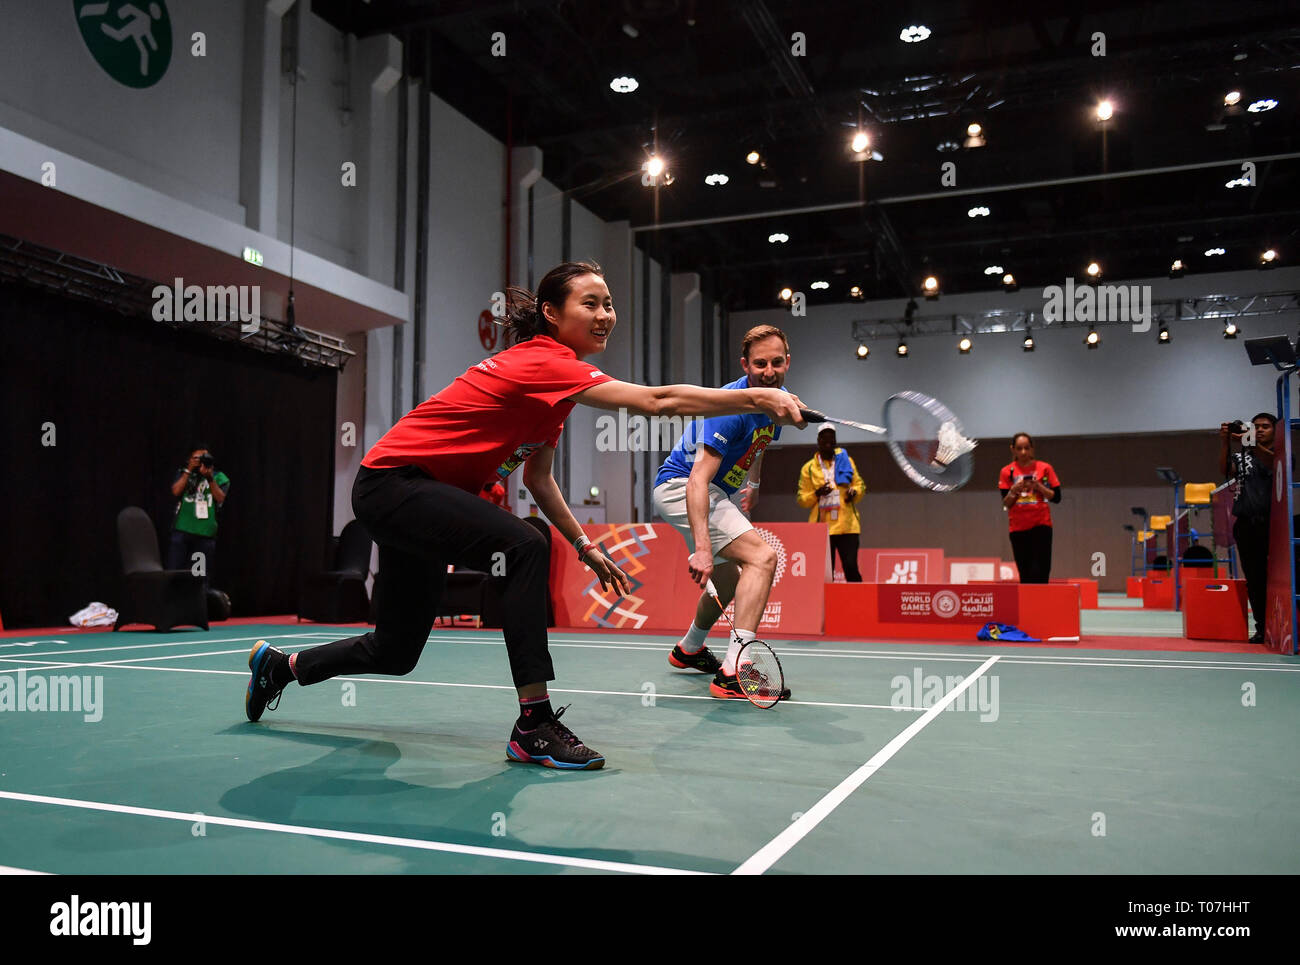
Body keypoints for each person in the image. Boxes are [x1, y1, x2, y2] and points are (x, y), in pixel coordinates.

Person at [243, 262, 805, 770]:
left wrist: (585, 546)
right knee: (525, 545)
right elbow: (655, 402)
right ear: (551, 313)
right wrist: (755, 398)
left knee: (395, 652)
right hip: (393, 483)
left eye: (608, 303)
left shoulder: (555, 393)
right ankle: (533, 724)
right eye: (591, 303)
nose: (605, 314)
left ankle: (282, 668)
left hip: (413, 499)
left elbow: (538, 479)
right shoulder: (544, 361)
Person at [652, 324, 798, 698]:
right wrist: (702, 548)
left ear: (787, 362)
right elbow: (697, 480)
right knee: (762, 558)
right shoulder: (729, 408)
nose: (769, 372)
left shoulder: (773, 404)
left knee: (730, 578)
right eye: (760, 364)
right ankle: (736, 671)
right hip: (683, 486)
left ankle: (689, 649)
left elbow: (759, 444)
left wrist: (753, 485)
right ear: (745, 365)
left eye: (776, 363)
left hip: (718, 491)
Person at [1220, 413, 1277, 642]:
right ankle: (1262, 628)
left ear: (1276, 430)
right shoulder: (1242, 455)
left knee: (1279, 578)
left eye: (1265, 426)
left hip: (1274, 526)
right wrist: (1225, 441)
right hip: (1246, 525)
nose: (1260, 430)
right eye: (1256, 427)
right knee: (1255, 579)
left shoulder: (1281, 454)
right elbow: (1225, 469)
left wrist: (1251, 443)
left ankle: (1284, 625)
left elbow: (1273, 463)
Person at [796, 426, 865, 582]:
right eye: (824, 439)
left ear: (835, 441)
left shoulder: (847, 461)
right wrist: (817, 494)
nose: (828, 442)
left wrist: (854, 492)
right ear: (818, 441)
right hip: (822, 527)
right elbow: (801, 499)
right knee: (825, 572)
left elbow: (860, 485)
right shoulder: (809, 468)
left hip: (848, 525)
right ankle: (825, 605)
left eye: (831, 439)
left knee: (851, 567)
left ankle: (859, 604)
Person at [998, 433, 1061, 584]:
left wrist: (1038, 486)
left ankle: (1042, 605)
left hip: (1041, 526)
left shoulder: (1045, 468)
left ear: (1032, 448)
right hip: (1018, 529)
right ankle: (1028, 606)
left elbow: (1057, 497)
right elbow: (1006, 503)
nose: (1023, 452)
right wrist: (1014, 490)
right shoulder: (1007, 471)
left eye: (1027, 448)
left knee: (1041, 571)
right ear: (1013, 449)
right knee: (1025, 573)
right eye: (1019, 448)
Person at [168, 445, 228, 589]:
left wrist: (210, 478)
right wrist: (189, 470)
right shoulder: (184, 473)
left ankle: (196, 608)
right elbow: (176, 491)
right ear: (189, 460)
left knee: (198, 576)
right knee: (174, 573)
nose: (200, 461)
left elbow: (220, 498)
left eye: (204, 458)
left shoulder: (219, 477)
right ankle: (172, 607)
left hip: (203, 535)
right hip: (182, 531)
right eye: (196, 458)